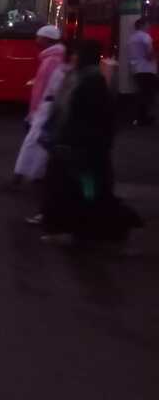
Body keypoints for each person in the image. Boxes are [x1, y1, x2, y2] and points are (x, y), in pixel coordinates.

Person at [38, 40, 143, 247]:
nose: (73, 57)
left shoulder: (92, 82)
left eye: (77, 54)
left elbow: (93, 119)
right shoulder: (80, 78)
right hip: (74, 148)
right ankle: (77, 230)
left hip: (85, 151)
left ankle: (104, 228)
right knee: (75, 190)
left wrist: (79, 142)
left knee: (88, 192)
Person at [11, 25, 67, 185]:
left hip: (46, 107)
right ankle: (36, 175)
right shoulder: (54, 57)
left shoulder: (52, 60)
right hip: (46, 106)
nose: (36, 40)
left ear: (47, 40)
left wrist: (34, 110)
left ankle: (20, 175)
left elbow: (45, 87)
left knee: (33, 141)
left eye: (39, 37)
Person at [127, 17, 157, 126]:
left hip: (136, 69)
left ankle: (140, 117)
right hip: (147, 69)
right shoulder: (146, 37)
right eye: (148, 24)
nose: (149, 26)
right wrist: (155, 53)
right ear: (143, 25)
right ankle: (142, 118)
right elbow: (149, 55)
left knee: (143, 93)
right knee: (147, 94)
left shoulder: (131, 38)